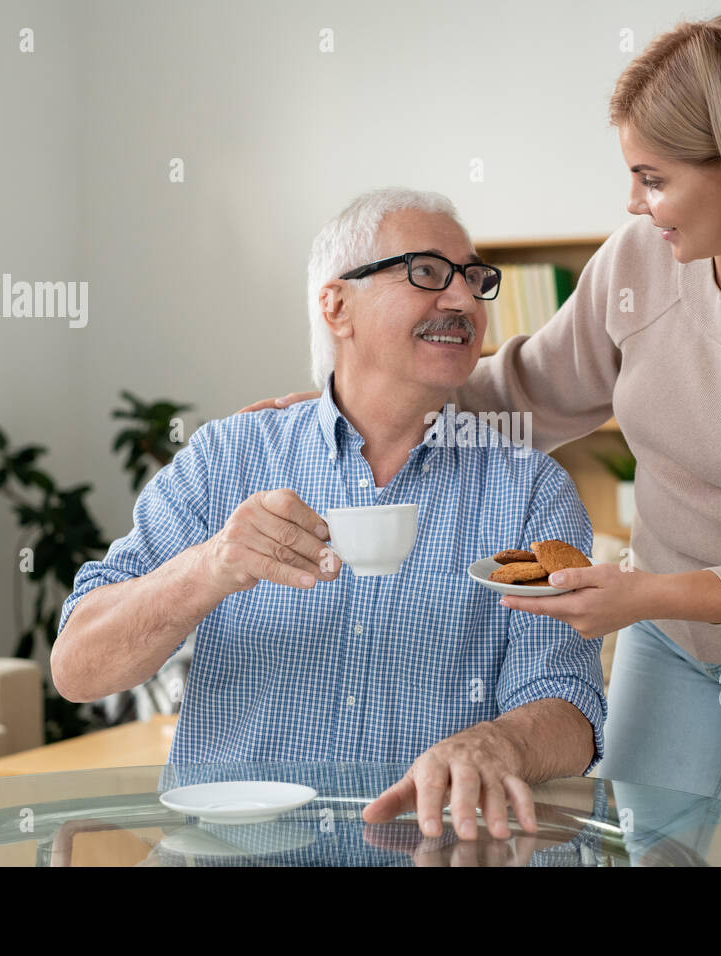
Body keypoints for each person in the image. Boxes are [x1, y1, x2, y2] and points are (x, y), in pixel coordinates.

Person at [241, 15, 721, 866]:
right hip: (675, 644)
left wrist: (643, 596)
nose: (634, 203)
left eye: (653, 178)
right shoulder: (643, 259)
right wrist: (356, 405)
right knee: (629, 853)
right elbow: (528, 389)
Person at [53, 187, 608, 844]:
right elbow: (78, 669)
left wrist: (499, 745)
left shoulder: (530, 492)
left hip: (431, 854)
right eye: (427, 272)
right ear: (336, 305)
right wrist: (209, 566)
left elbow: (569, 707)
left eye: (474, 278)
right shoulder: (226, 457)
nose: (463, 300)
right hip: (228, 858)